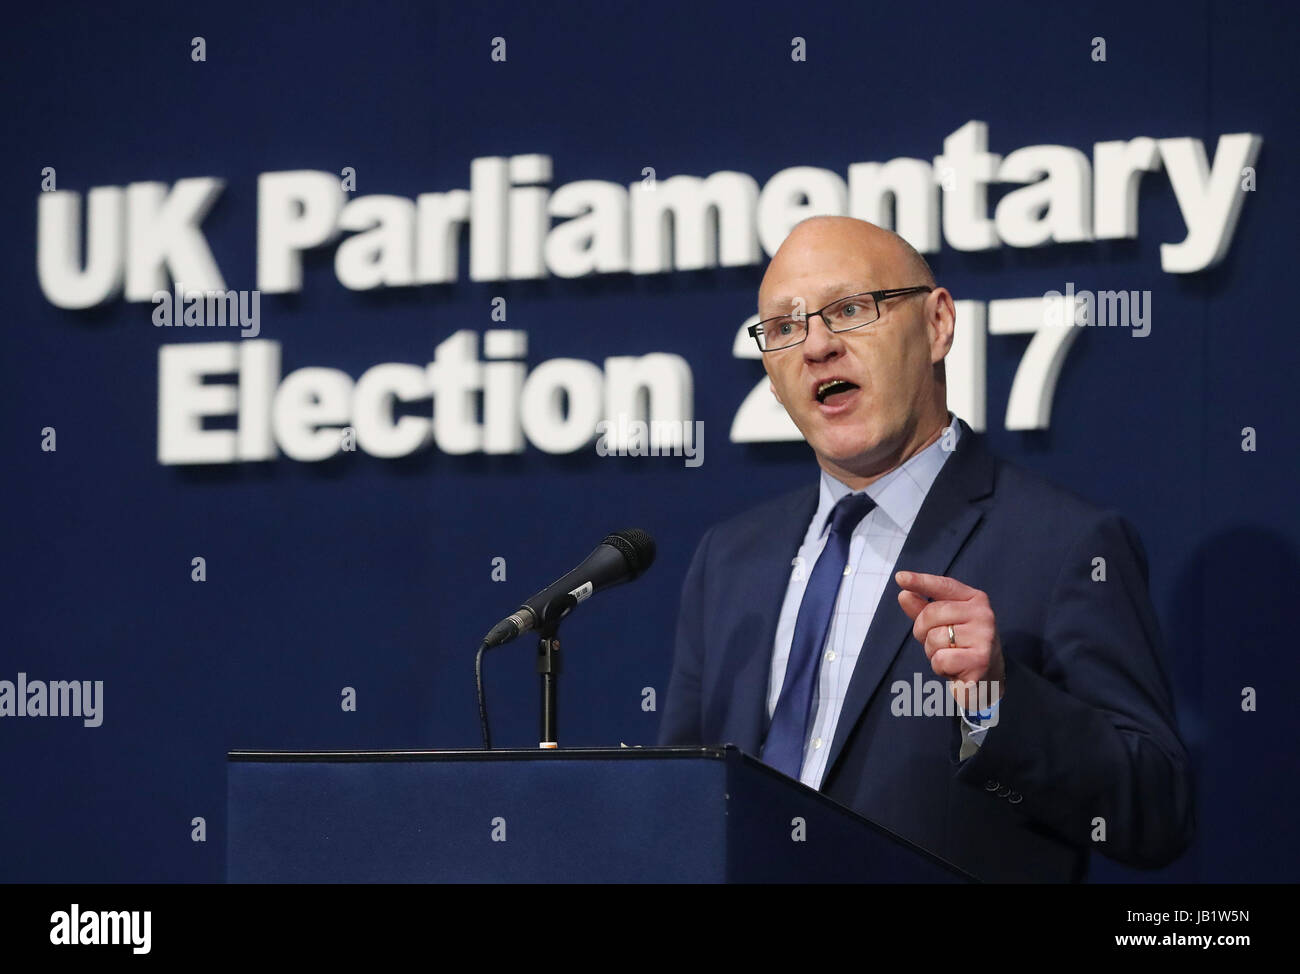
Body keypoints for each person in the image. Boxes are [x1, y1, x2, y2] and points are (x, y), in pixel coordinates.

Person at [657, 216, 1193, 882]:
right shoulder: (730, 558)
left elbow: (1156, 811)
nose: (817, 346)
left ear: (937, 324)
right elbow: (677, 805)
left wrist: (997, 705)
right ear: (770, 371)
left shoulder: (1065, 544)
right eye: (787, 328)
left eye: (850, 310)